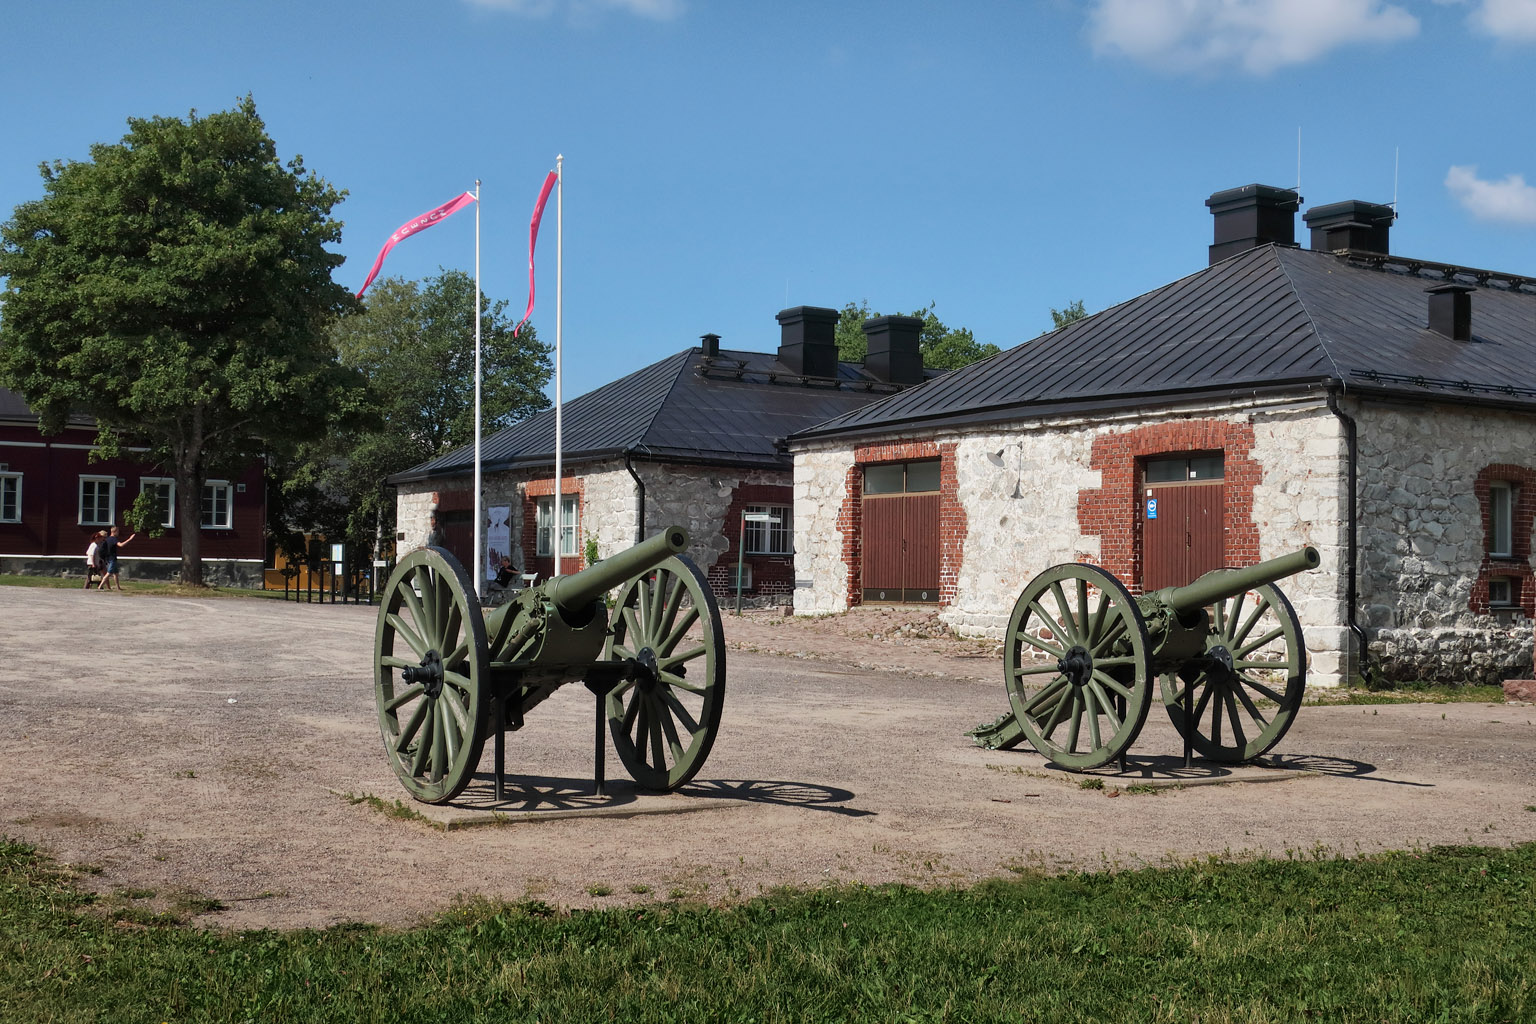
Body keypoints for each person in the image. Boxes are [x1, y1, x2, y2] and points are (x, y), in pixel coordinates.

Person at [96, 525, 137, 591]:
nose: (118, 533)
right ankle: (100, 586)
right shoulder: (113, 539)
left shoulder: (108, 539)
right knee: (109, 573)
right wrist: (130, 539)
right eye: (117, 532)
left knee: (116, 573)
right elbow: (121, 545)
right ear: (114, 532)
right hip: (112, 558)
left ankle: (118, 587)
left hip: (108, 558)